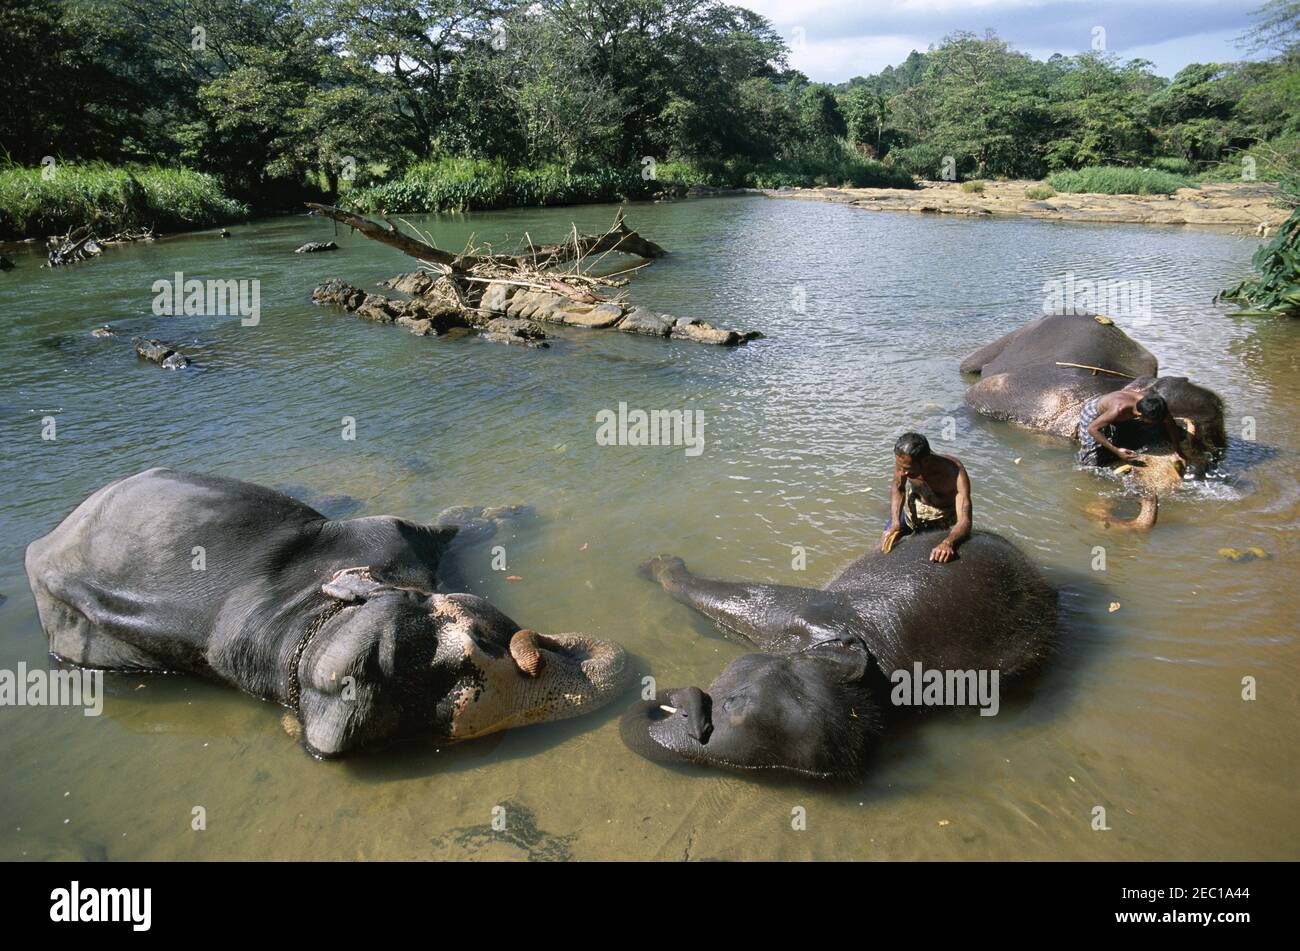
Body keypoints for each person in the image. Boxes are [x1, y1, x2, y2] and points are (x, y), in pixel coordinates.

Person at [881, 432, 972, 564]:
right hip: (912, 510)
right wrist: (895, 522)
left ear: (926, 461)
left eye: (907, 469)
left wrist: (948, 542)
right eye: (900, 467)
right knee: (883, 543)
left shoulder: (954, 473)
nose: (903, 473)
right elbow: (898, 487)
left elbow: (965, 520)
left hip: (939, 519)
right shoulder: (904, 463)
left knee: (923, 561)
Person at [1077, 386, 1185, 467]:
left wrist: (1178, 450)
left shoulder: (1156, 407)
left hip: (1117, 407)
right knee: (1091, 460)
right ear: (1141, 416)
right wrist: (1116, 451)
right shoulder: (1119, 410)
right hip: (1094, 412)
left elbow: (1169, 423)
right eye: (1152, 421)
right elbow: (1092, 428)